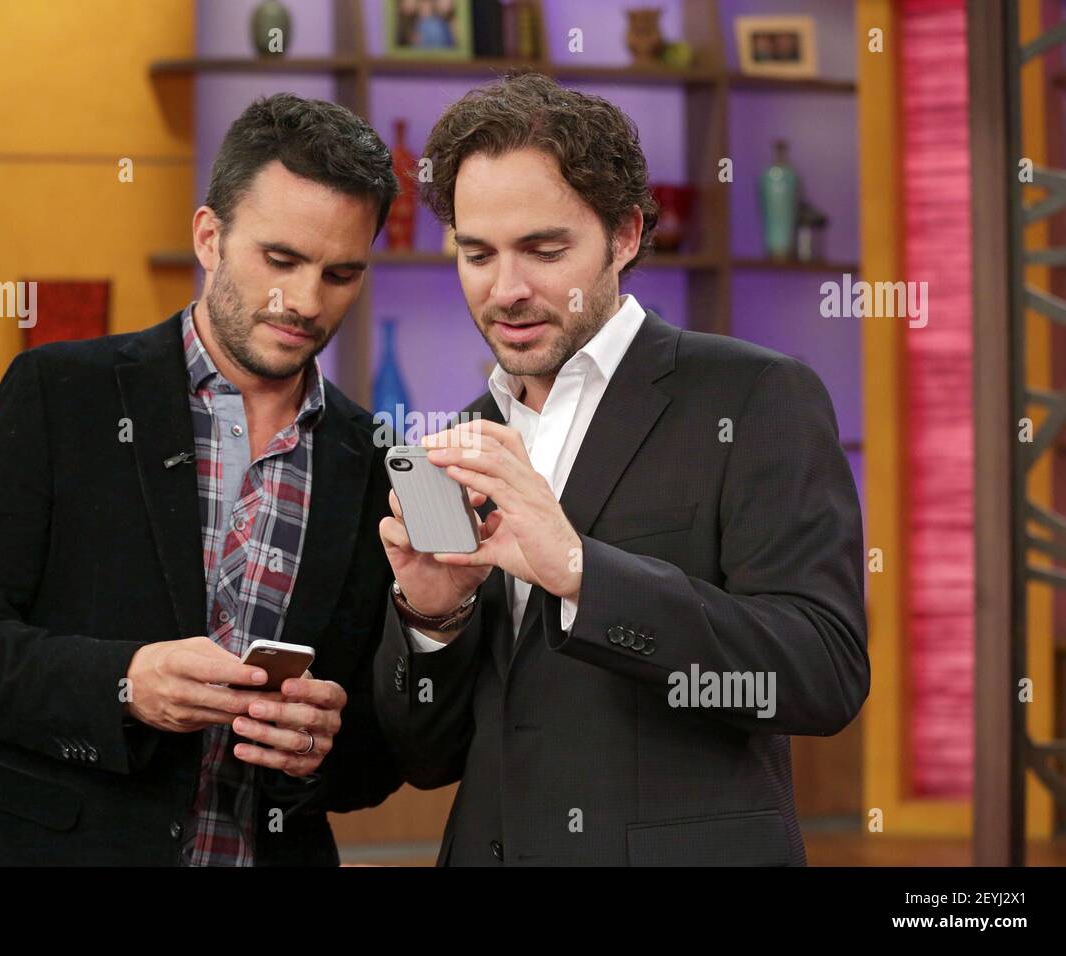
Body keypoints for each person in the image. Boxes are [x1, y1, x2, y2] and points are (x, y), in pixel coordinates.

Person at [373, 72, 870, 866]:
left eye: (544, 249)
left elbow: (822, 672)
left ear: (628, 234)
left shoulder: (756, 395)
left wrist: (580, 571)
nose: (507, 289)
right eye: (477, 254)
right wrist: (435, 621)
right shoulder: (467, 437)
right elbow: (427, 760)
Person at [0, 93, 403, 866]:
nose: (305, 301)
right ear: (210, 236)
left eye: (340, 273)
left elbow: (377, 754)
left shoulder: (372, 457)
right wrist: (123, 683)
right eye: (281, 260)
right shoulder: (61, 394)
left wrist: (322, 746)